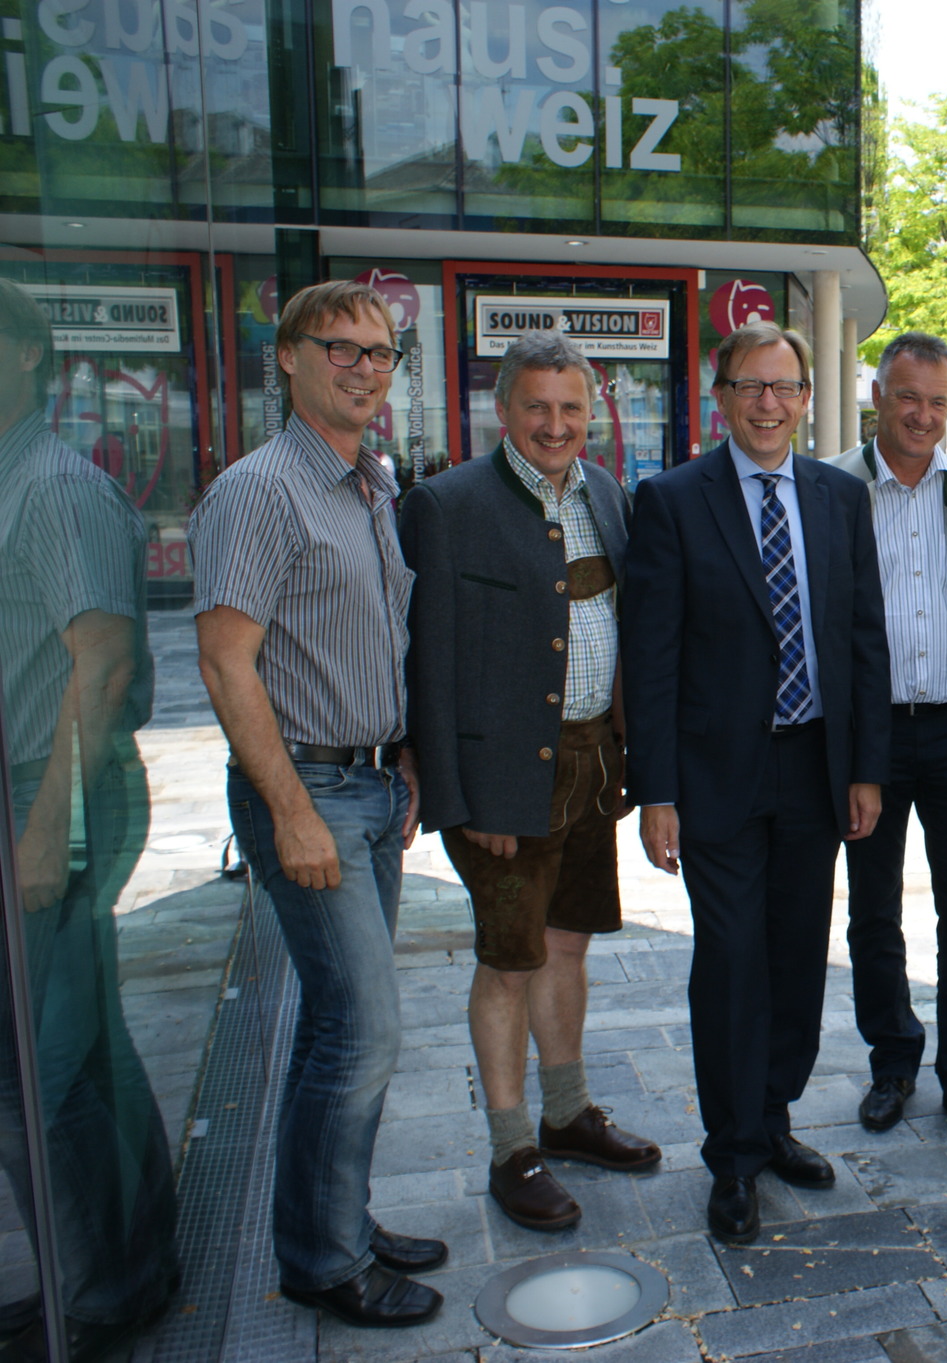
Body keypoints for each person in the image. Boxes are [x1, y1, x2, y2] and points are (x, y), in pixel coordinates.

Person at [189, 280, 443, 1327]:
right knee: (363, 1031)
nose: (363, 367)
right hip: (311, 788)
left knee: (339, 1029)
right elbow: (225, 662)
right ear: (286, 358)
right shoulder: (260, 491)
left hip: (374, 783)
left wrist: (407, 756)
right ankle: (323, 1260)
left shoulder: (369, 482)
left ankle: (335, 1214)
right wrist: (289, 811)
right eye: (339, 348)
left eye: (381, 353)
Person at [622, 321, 890, 1246]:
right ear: (721, 397)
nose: (768, 404)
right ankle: (732, 1156)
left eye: (785, 387)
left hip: (816, 767)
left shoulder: (839, 498)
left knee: (794, 960)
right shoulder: (672, 500)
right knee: (732, 962)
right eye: (750, 387)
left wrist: (865, 766)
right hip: (716, 777)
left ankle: (772, 1118)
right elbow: (649, 659)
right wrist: (656, 790)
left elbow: (863, 638)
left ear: (808, 397)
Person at [398, 331, 659, 1235]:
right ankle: (514, 1149)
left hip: (592, 769)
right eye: (538, 407)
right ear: (502, 410)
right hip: (504, 783)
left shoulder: (609, 496)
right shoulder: (447, 504)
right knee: (508, 961)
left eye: (572, 407)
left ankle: (567, 1112)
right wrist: (461, 798)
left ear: (591, 413)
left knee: (569, 947)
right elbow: (427, 665)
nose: (556, 424)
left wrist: (633, 759)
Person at [0, 276, 178, 1356]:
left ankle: (96, 1293)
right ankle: (118, 1264)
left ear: (24, 353)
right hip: (32, 788)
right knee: (73, 1055)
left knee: (42, 1072)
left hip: (48, 788)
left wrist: (46, 832)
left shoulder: (55, 487)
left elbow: (102, 665)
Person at [825, 332, 947, 1146]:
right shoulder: (828, 488)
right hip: (865, 739)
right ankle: (893, 1060)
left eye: (939, 402)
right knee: (872, 909)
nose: (924, 415)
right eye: (909, 398)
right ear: (877, 396)